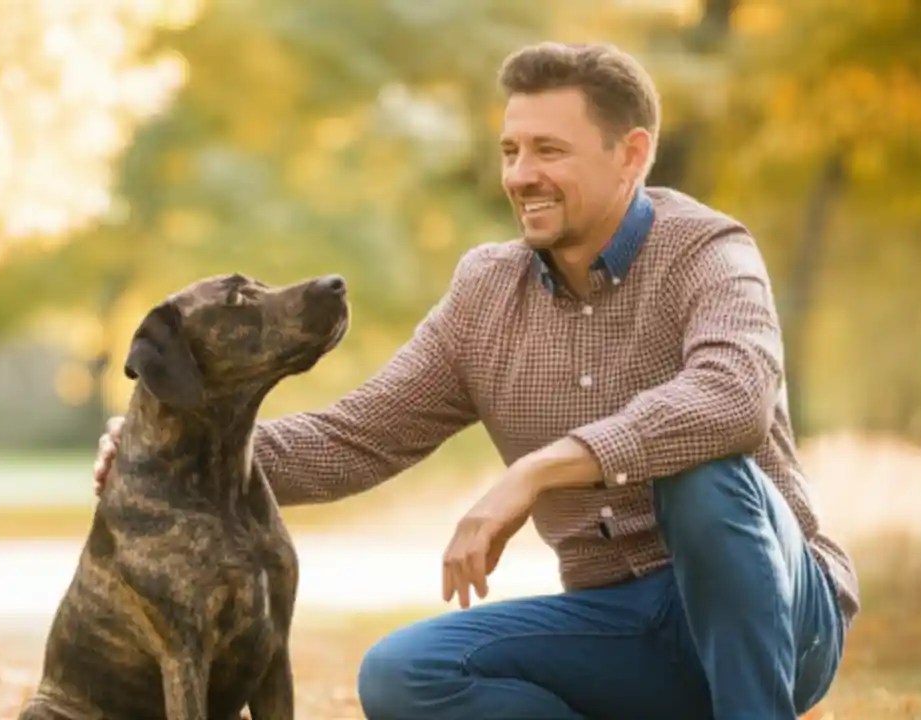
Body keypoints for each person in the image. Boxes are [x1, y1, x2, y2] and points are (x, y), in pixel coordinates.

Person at [92, 41, 858, 720]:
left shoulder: (707, 251)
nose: (522, 176)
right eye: (510, 151)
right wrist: (177, 454)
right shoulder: (486, 293)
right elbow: (355, 437)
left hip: (783, 619)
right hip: (618, 625)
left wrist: (540, 469)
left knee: (701, 470)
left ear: (631, 155)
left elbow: (732, 399)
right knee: (405, 674)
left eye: (549, 151)